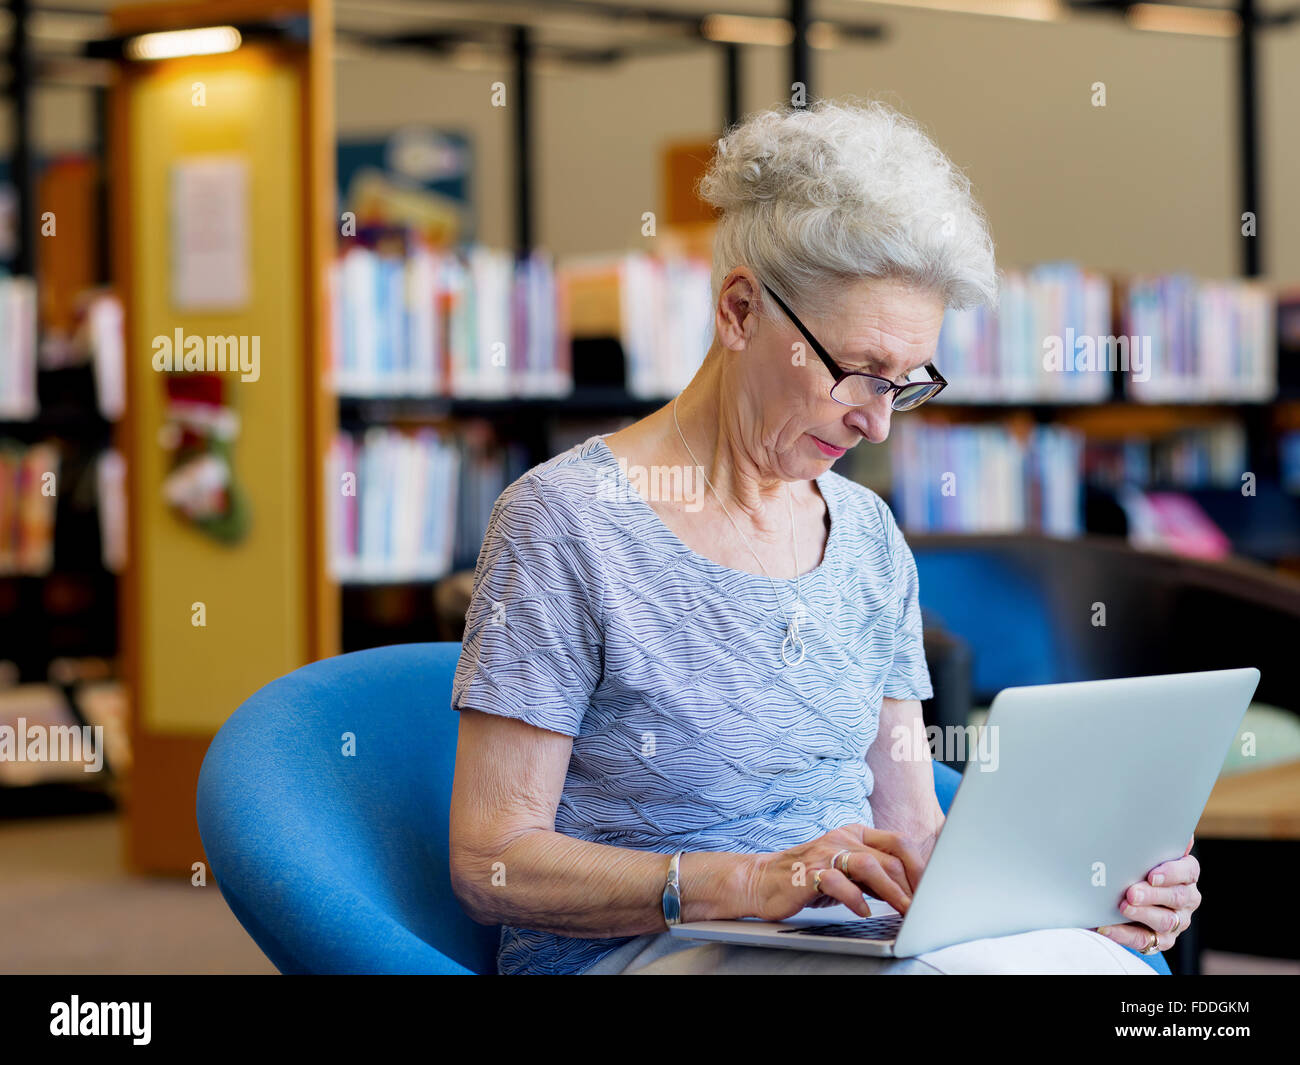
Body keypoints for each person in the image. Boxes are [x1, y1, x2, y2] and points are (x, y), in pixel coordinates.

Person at [447, 96, 1200, 975]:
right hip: (649, 953)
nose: (877, 425)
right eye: (860, 372)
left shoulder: (869, 537)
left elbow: (914, 828)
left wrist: (1083, 899)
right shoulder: (564, 520)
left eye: (905, 384)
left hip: (847, 946)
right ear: (738, 312)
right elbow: (489, 861)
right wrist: (751, 880)